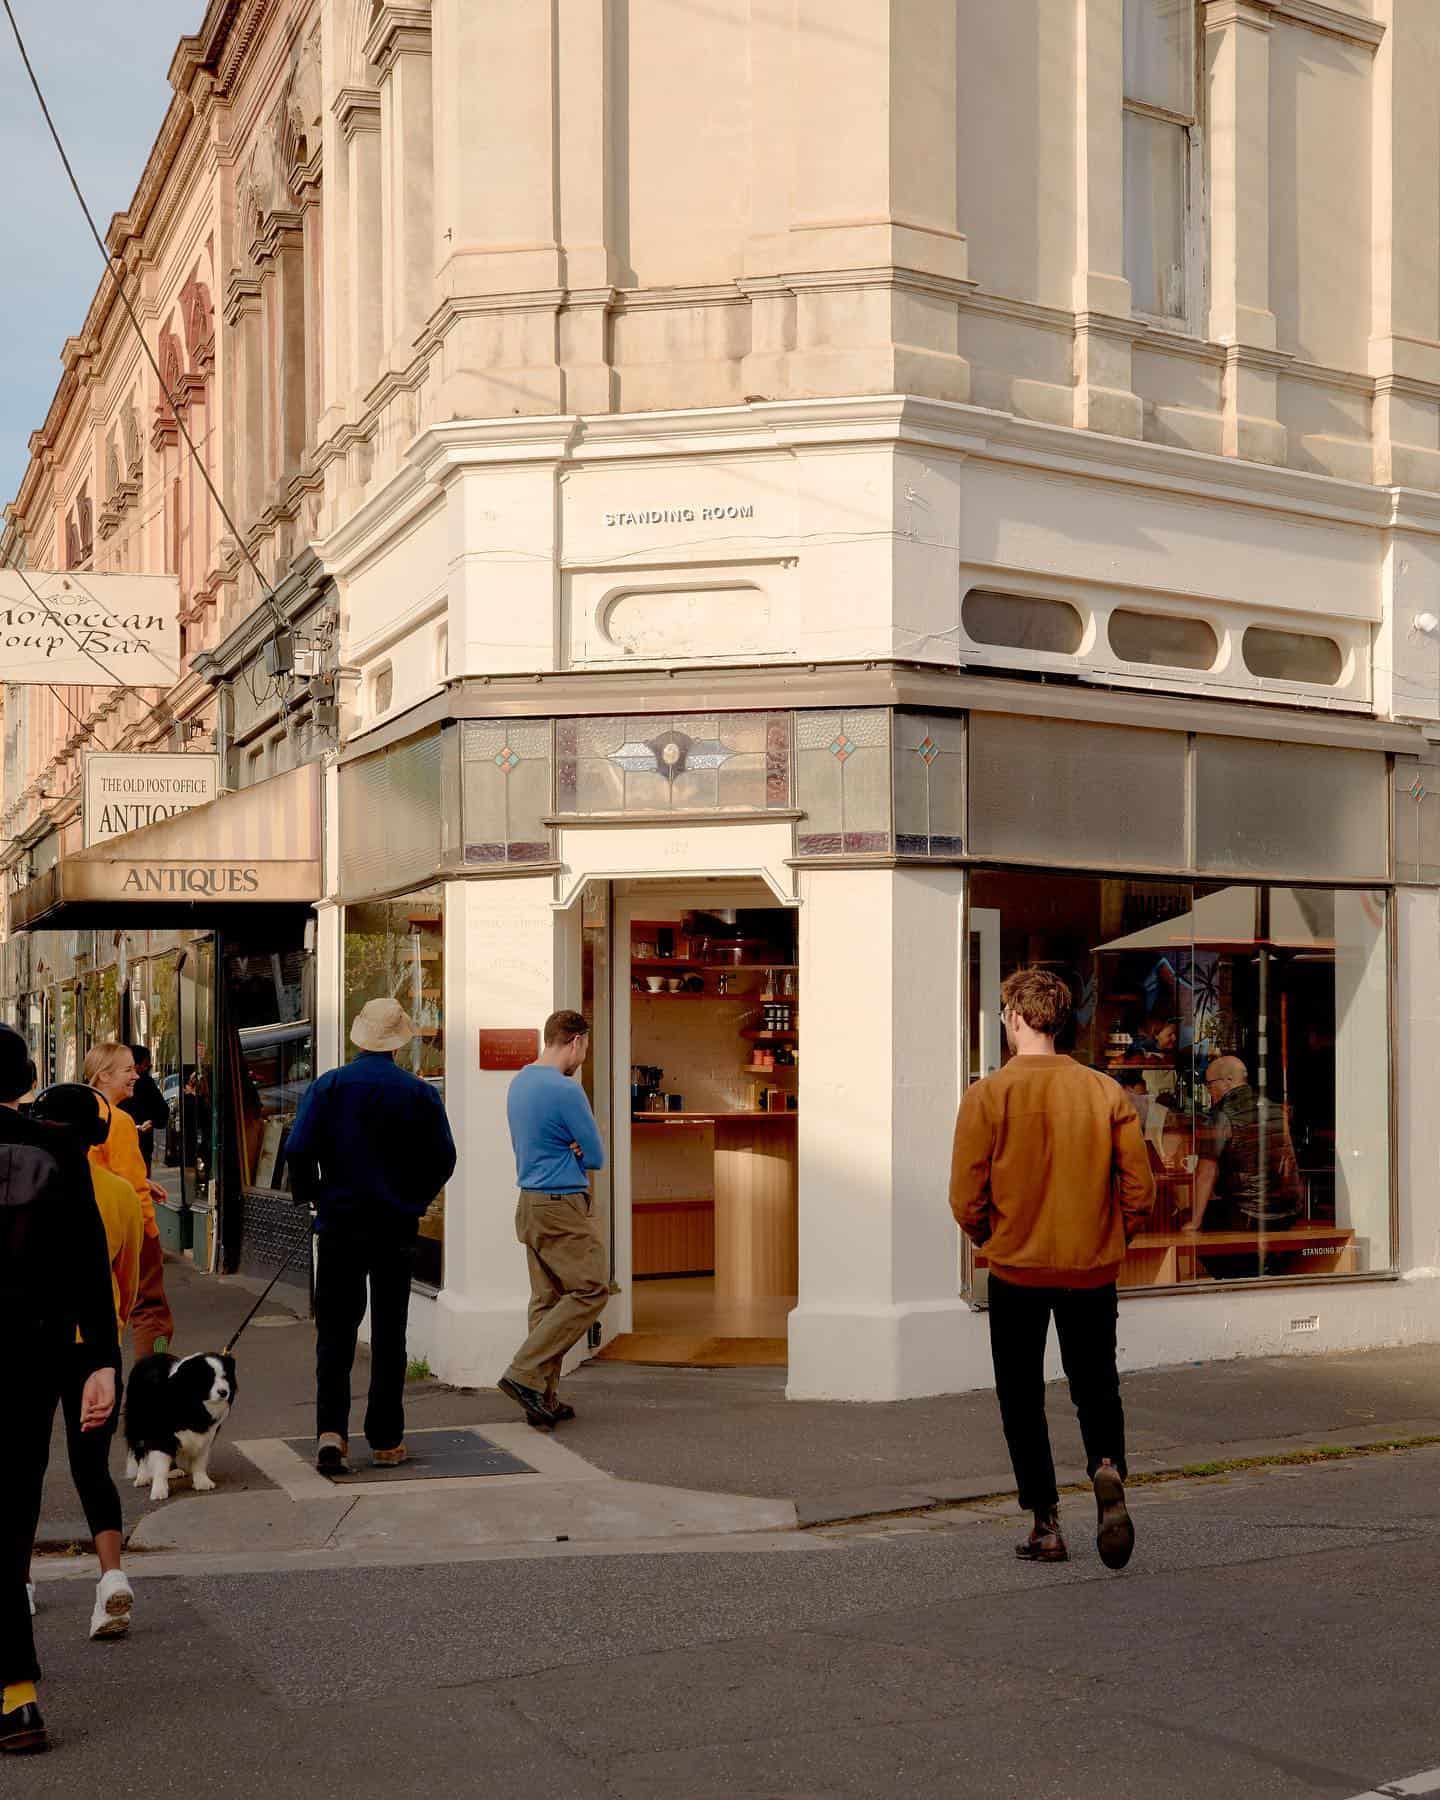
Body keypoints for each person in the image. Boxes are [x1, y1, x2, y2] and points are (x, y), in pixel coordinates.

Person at [949, 968, 1155, 1571]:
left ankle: (1045, 1523)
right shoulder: (1104, 1091)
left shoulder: (987, 1095)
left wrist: (993, 1238)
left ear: (1013, 1018)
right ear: (1060, 1021)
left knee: (1021, 1395)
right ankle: (1107, 1468)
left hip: (1018, 1269)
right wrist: (1112, 1236)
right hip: (1091, 1267)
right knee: (1096, 1384)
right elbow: (1138, 1188)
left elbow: (966, 1196)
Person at [0, 1027, 118, 1756]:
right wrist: (102, 1359)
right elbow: (86, 1260)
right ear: (24, 1078)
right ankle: (17, 1698)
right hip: (34, 1353)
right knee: (14, 1512)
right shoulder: (59, 1150)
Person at [286, 998, 456, 1475]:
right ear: (398, 1043)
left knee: (335, 1333)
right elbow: (444, 1158)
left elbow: (298, 1150)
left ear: (359, 1038)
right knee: (389, 1334)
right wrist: (415, 1200)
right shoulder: (419, 1095)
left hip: (340, 1224)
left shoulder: (329, 1087)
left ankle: (331, 1435)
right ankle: (385, 1438)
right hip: (394, 1227)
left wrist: (316, 1196)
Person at [28, 1085, 143, 1642]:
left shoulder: (25, 1186)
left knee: (23, 1468)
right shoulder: (118, 1193)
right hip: (96, 1349)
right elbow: (126, 1280)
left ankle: (22, 1582)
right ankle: (111, 1574)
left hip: (32, 1341)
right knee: (91, 1466)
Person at [498, 1010, 607, 1431]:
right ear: (576, 1041)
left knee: (547, 1299)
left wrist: (572, 1147)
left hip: (530, 1204)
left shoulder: (520, 1082)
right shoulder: (566, 1091)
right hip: (561, 1203)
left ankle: (541, 1399)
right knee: (591, 1288)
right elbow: (595, 1156)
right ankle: (523, 1373)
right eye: (586, 1046)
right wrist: (577, 1150)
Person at [84, 1043, 172, 1359]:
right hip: (129, 1231)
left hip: (94, 1227)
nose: (136, 1075)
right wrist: (150, 1232)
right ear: (104, 1075)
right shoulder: (118, 1121)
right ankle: (156, 1369)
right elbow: (130, 1189)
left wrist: (143, 1182)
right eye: (128, 1070)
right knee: (154, 1314)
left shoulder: (82, 1115)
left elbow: (98, 1170)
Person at [1184, 1055, 1302, 1278]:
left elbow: (1206, 1172)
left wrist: (1195, 1221)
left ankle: (1233, 1281)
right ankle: (1256, 1272)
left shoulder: (1221, 1115)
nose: (1209, 1090)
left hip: (1248, 1215)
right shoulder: (1276, 1110)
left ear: (1227, 1081)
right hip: (1285, 1213)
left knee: (1189, 1223)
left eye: (1210, 1084)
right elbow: (1289, 1162)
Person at [119, 1044, 169, 1176]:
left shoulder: (146, 1083)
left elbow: (162, 1112)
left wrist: (151, 1123)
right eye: (145, 1065)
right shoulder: (143, 1083)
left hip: (140, 1148)